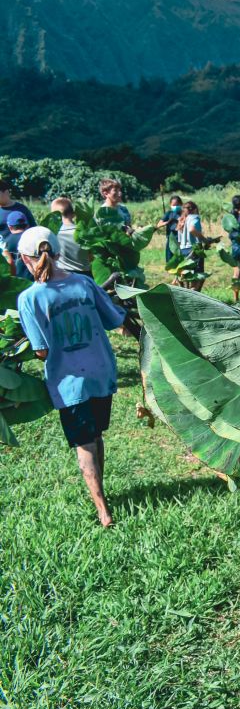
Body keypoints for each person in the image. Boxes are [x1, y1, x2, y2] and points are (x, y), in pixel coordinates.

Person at [16, 226, 126, 527]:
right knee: (97, 434)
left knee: (83, 443)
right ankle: (103, 493)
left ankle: (102, 509)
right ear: (59, 252)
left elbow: (41, 351)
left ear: (25, 260)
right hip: (101, 372)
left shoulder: (29, 298)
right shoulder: (86, 284)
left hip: (69, 381)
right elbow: (114, 319)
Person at [50, 197, 92, 277]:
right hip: (86, 276)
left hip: (64, 276)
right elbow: (91, 257)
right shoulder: (84, 232)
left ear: (54, 215)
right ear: (73, 214)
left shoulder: (54, 234)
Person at [177, 201, 207, 290]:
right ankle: (194, 298)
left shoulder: (181, 220)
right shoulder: (194, 217)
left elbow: (179, 240)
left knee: (187, 276)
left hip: (183, 250)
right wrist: (204, 240)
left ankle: (185, 294)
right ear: (194, 209)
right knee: (198, 277)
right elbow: (192, 229)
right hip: (194, 249)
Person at [0, 179, 36, 243]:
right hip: (4, 250)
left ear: (6, 192)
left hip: (24, 249)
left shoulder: (22, 209)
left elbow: (33, 229)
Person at [3, 212, 32, 279]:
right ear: (27, 225)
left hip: (16, 283)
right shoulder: (33, 239)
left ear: (10, 227)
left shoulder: (5, 243)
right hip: (32, 279)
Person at [156, 195, 184, 262]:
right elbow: (158, 225)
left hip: (181, 240)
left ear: (181, 204)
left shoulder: (184, 213)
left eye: (177, 205)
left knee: (180, 260)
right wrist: (167, 222)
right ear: (170, 205)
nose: (175, 206)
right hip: (171, 239)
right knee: (169, 260)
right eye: (173, 205)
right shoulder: (168, 213)